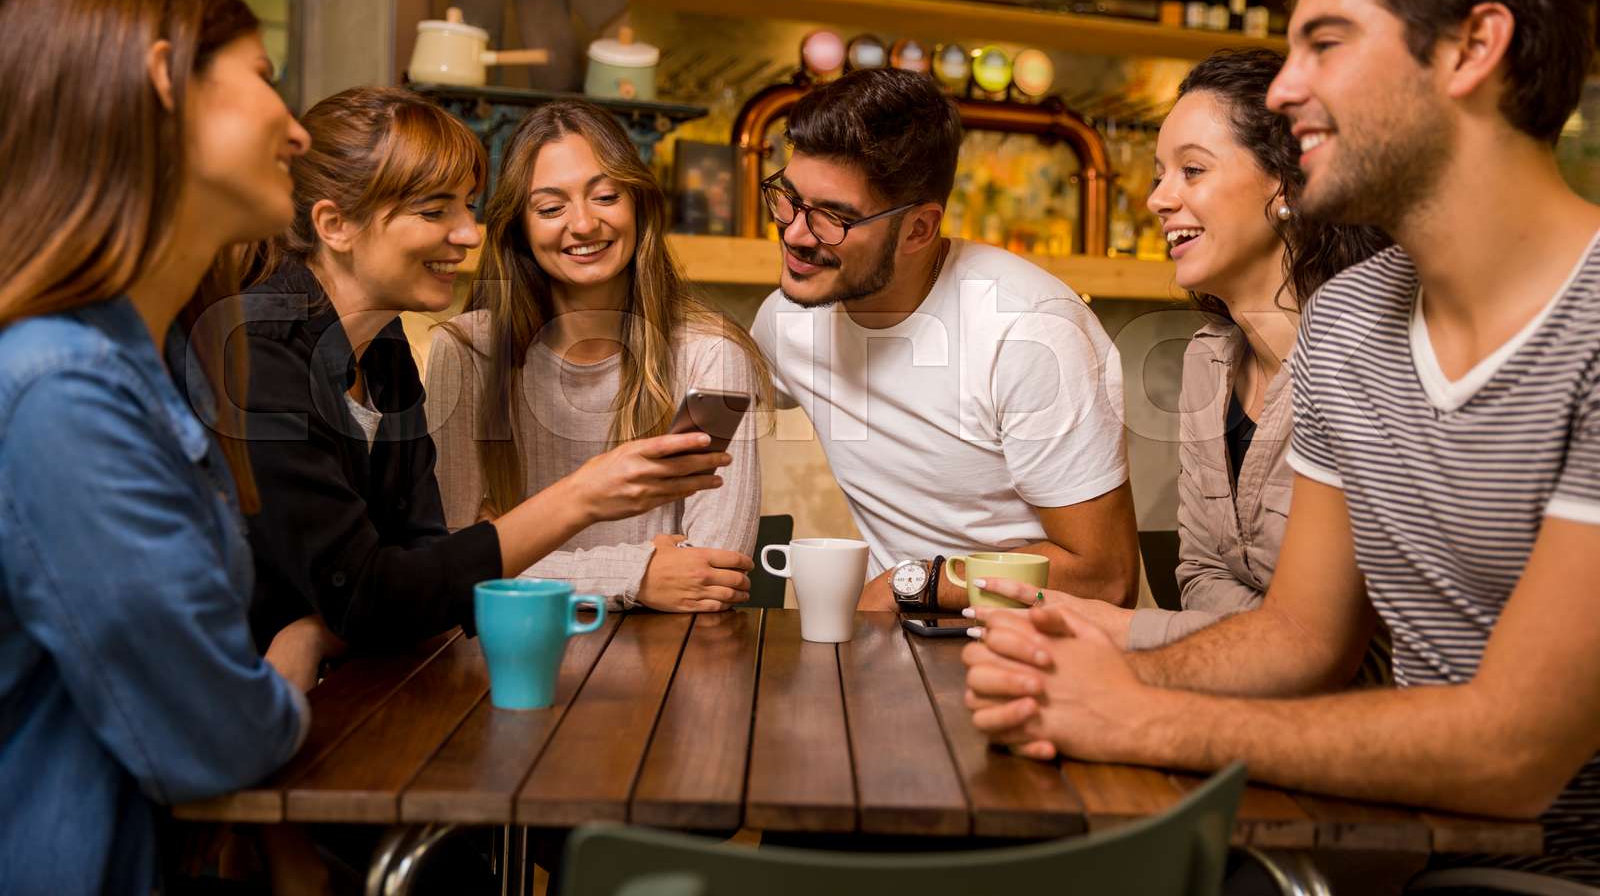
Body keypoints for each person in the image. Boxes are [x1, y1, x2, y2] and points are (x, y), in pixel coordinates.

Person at [964, 0, 1600, 885]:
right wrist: (1084, 674)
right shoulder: (1349, 323)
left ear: (1472, 48)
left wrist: (1138, 714)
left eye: (1325, 44)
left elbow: (1514, 751)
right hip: (1405, 849)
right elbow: (1301, 638)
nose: (1284, 89)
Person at [0, 0, 312, 894]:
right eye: (265, 77)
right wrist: (284, 689)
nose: (298, 130)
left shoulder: (140, 361)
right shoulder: (62, 388)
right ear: (164, 81)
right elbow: (214, 731)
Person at [242, 88, 733, 657]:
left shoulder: (382, 347)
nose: (469, 235)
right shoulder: (256, 355)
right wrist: (584, 497)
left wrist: (315, 635)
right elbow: (376, 593)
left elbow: (422, 569)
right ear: (335, 225)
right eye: (435, 212)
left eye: (468, 207)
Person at [972, 49, 1389, 686]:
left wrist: (1119, 629)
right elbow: (1199, 576)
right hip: (1239, 703)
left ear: (1286, 183)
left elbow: (1341, 654)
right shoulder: (1208, 361)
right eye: (1160, 175)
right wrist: (1264, 638)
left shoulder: (1364, 363)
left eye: (1192, 170)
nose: (1157, 199)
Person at [752, 68, 1139, 614]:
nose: (794, 233)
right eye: (788, 199)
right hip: (897, 642)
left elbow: (1106, 578)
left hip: (1039, 645)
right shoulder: (788, 319)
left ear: (918, 229)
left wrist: (910, 583)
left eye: (833, 218)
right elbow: (702, 431)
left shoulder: (1031, 332)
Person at [427, 100, 763, 612]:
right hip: (513, 645)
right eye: (550, 208)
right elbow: (447, 561)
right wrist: (636, 573)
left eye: (606, 196)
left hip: (669, 652)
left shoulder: (713, 355)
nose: (584, 224)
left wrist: (505, 552)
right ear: (518, 227)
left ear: (638, 205)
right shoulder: (466, 351)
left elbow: (713, 570)